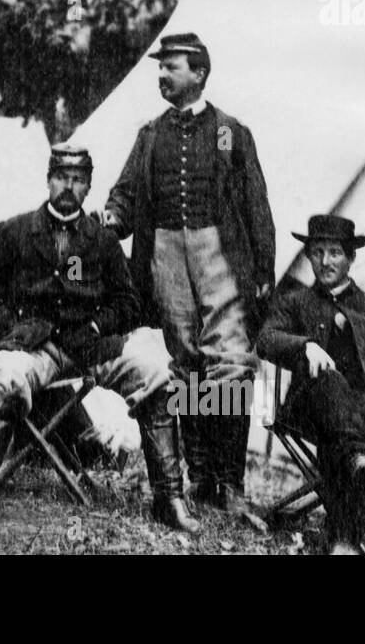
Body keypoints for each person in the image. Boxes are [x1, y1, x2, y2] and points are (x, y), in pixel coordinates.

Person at [0, 144, 198, 532]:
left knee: (154, 372)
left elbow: (129, 303)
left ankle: (169, 498)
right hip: (36, 349)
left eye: (78, 180)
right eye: (62, 178)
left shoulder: (102, 241)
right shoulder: (14, 231)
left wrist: (99, 327)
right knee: (5, 377)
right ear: (48, 180)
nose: (69, 187)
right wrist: (15, 328)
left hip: (92, 346)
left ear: (89, 187)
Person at [98, 32, 275, 516]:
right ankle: (201, 478)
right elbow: (126, 194)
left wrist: (263, 269)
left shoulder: (230, 131)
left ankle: (231, 484)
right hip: (165, 254)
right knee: (188, 363)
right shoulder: (149, 134)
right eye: (159, 67)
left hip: (220, 252)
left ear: (199, 73)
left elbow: (256, 204)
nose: (161, 74)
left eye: (170, 67)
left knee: (232, 363)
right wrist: (113, 218)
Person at [257, 214, 365, 554]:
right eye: (317, 253)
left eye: (334, 252)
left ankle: (344, 532)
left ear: (351, 257)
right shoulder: (294, 301)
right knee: (330, 384)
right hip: (309, 404)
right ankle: (348, 527)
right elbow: (267, 339)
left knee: (340, 436)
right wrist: (304, 346)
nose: (325, 261)